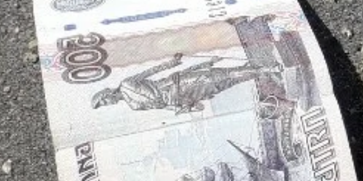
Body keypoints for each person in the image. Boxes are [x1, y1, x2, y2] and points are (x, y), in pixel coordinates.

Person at [91, 53, 281, 114]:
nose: (108, 104)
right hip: (182, 98)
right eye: (105, 105)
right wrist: (185, 108)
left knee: (221, 75)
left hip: (178, 83)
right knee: (224, 85)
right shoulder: (134, 106)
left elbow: (151, 72)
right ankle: (260, 72)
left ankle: (267, 69)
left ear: (106, 94)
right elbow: (161, 107)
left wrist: (172, 63)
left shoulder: (127, 84)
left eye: (104, 101)